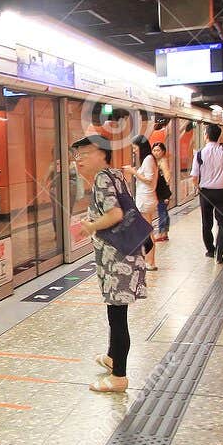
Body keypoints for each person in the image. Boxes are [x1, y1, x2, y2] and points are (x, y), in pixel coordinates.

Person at [70, 134, 147, 394]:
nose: (79, 159)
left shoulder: (103, 178)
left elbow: (115, 214)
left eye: (86, 153)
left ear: (103, 154)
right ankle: (113, 357)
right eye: (77, 155)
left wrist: (90, 226)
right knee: (116, 312)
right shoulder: (114, 175)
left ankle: (119, 377)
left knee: (117, 317)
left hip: (118, 258)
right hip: (125, 254)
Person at [192, 123, 223, 264]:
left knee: (206, 223)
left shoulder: (199, 153)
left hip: (206, 193)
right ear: (218, 136)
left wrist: (197, 187)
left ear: (206, 136)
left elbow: (194, 177)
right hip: (222, 192)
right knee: (222, 223)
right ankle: (220, 255)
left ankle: (210, 250)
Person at [131, 136, 160, 271]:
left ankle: (150, 262)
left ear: (140, 147)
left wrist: (133, 172)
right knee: (147, 231)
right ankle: (149, 260)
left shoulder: (148, 159)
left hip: (146, 199)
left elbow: (148, 179)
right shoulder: (149, 159)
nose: (134, 150)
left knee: (148, 232)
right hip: (147, 198)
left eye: (135, 148)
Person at [150, 140, 172, 241]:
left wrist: (166, 189)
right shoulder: (157, 161)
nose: (155, 152)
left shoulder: (162, 162)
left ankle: (161, 233)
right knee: (164, 211)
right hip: (162, 191)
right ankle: (165, 232)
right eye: (154, 150)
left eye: (158, 150)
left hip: (162, 192)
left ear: (163, 151)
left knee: (162, 211)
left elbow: (167, 175)